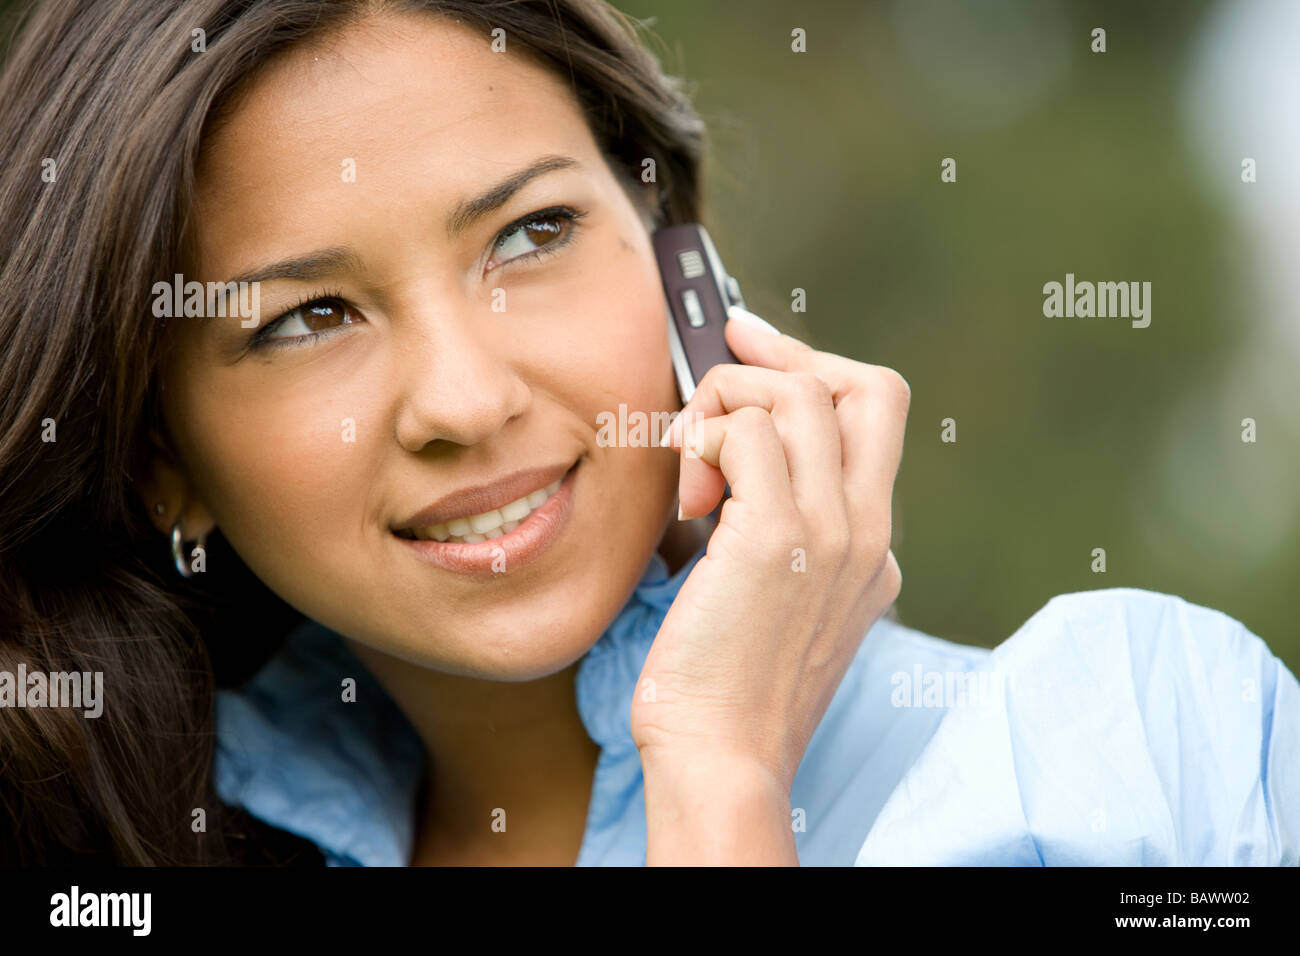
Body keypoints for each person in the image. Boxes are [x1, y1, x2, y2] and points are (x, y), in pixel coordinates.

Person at [0, 0, 1294, 867]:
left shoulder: (1136, 754)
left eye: (529, 234)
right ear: (164, 460)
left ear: (690, 274)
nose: (463, 401)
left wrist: (719, 776)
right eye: (308, 317)